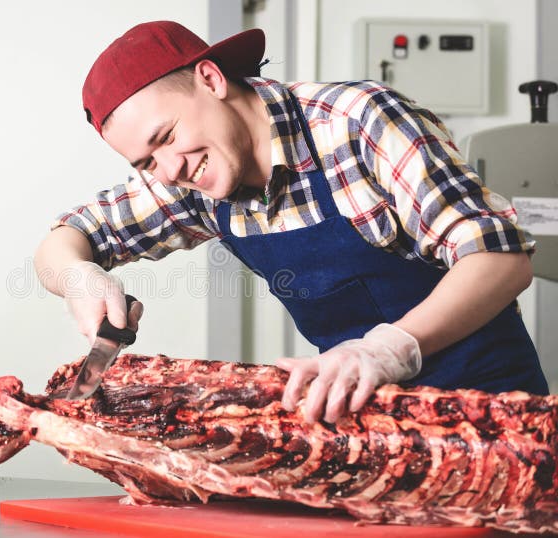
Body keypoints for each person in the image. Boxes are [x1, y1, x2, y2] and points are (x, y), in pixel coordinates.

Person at [34, 20, 549, 423]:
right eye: (146, 163)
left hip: (488, 407)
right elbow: (64, 241)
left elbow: (500, 260)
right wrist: (79, 277)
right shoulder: (186, 180)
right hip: (357, 420)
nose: (170, 170)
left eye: (166, 137)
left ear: (210, 79)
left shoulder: (357, 121)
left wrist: (386, 350)